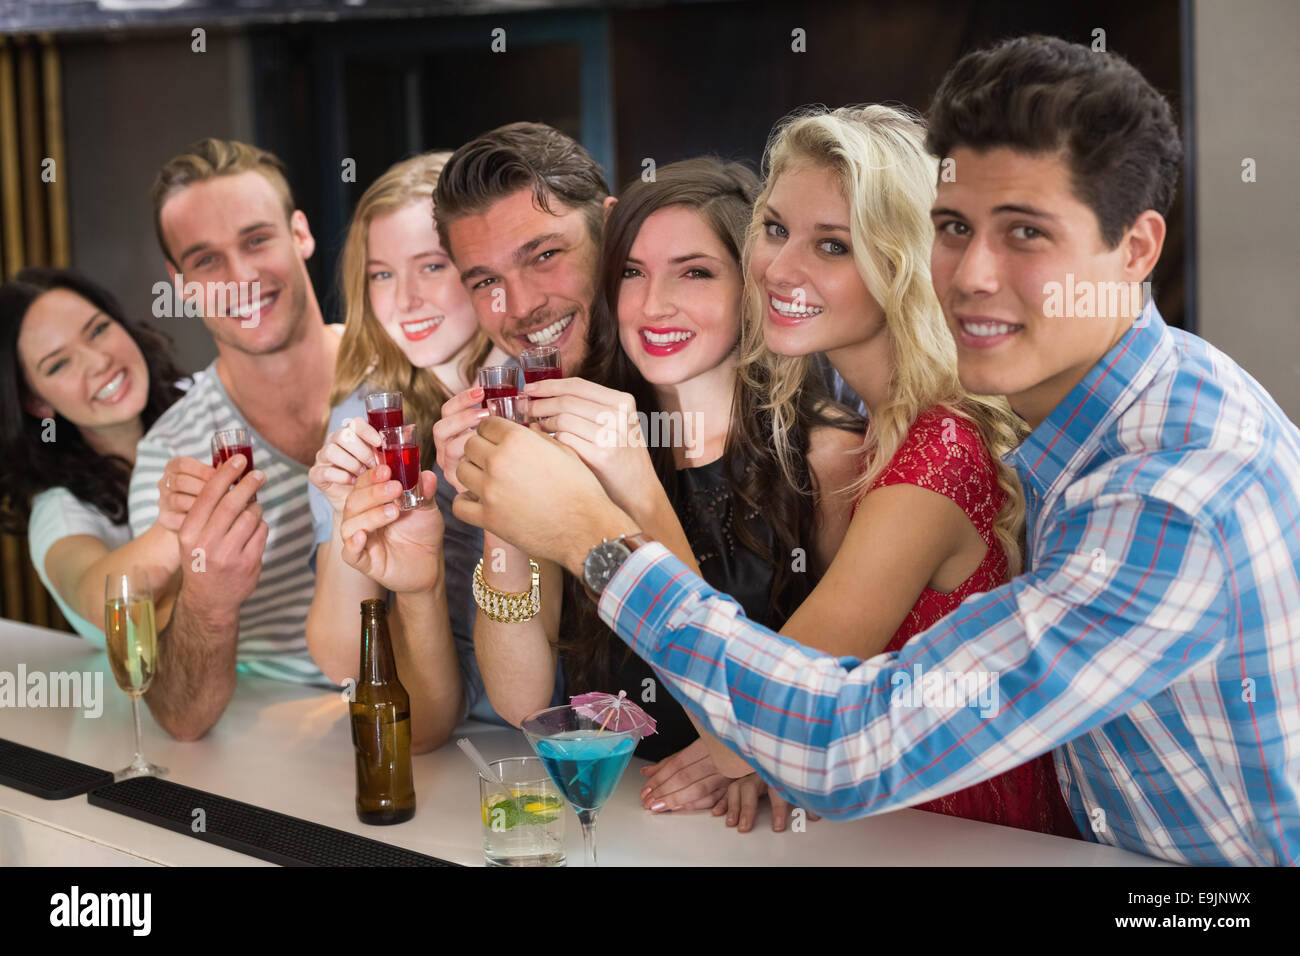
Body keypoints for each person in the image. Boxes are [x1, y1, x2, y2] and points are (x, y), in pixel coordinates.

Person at [450, 35, 1300, 865]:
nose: (969, 273)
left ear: (1137, 249)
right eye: (955, 228)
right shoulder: (1069, 413)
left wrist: (593, 535)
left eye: (1027, 234)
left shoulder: (1164, 488)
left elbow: (838, 740)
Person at [642, 106, 1077, 838]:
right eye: (775, 229)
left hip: (975, 846)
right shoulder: (891, 424)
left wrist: (627, 497)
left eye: (833, 246)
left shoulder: (942, 454)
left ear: (902, 264)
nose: (781, 269)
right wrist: (756, 762)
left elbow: (764, 721)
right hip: (897, 835)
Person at [468, 159, 862, 785]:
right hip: (623, 807)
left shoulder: (830, 456)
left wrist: (753, 766)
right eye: (632, 273)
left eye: (696, 273)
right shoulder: (577, 431)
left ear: (755, 283)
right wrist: (499, 506)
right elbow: (524, 702)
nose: (654, 306)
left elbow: (789, 724)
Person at [127, 138, 341, 741]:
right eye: (205, 260)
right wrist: (210, 601)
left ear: (300, 233)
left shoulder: (404, 374)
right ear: (181, 283)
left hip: (463, 732)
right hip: (283, 742)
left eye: (256, 240)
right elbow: (179, 717)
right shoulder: (173, 457)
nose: (239, 277)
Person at [305, 151, 510, 751]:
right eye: (382, 274)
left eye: (431, 266)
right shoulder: (366, 420)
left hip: (599, 724)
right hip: (460, 730)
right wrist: (349, 518)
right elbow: (345, 662)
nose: (405, 300)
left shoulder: (540, 382)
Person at [1, 268, 190, 639]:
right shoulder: (61, 510)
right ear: (37, 402)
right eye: (58, 364)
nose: (99, 362)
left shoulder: (201, 399)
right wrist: (188, 522)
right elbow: (101, 599)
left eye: (98, 330)